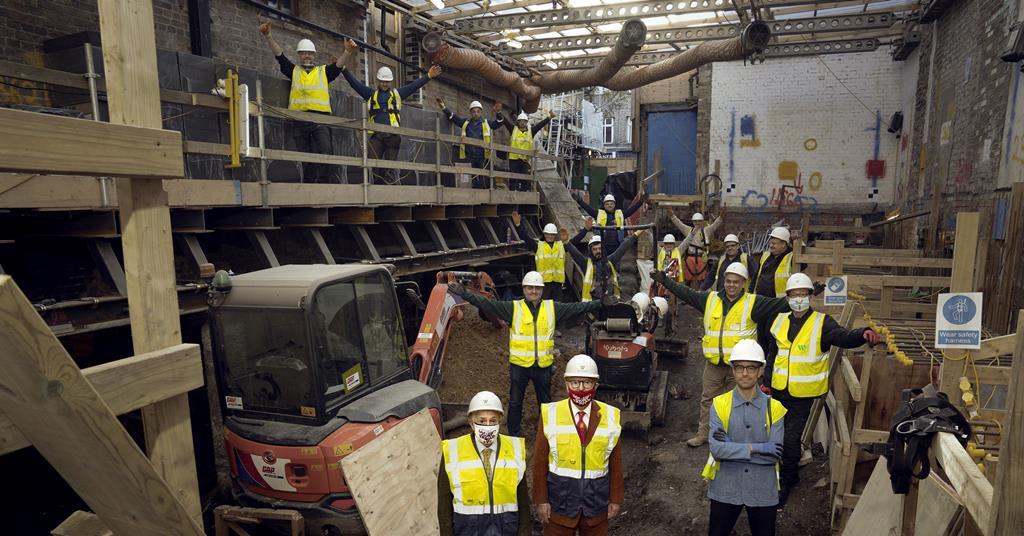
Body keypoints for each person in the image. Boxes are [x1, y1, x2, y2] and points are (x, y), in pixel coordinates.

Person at [766, 273, 880, 506]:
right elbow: (772, 354)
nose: (798, 298)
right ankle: (785, 472)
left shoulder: (821, 322)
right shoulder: (778, 321)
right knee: (776, 435)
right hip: (779, 390)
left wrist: (862, 333)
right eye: (794, 294)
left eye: (802, 294)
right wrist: (766, 382)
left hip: (803, 394)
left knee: (790, 439)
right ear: (787, 297)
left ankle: (786, 482)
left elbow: (843, 337)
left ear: (810, 296)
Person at [651, 262, 790, 447]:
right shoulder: (710, 299)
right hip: (714, 365)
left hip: (741, 367)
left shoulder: (753, 303)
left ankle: (736, 438)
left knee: (741, 402)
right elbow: (685, 292)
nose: (731, 285)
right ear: (724, 281)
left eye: (736, 282)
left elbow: (779, 304)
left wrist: (801, 296)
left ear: (743, 283)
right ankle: (703, 434)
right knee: (708, 399)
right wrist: (665, 281)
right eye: (728, 281)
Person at [447, 272, 601, 437]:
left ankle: (547, 434)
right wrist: (465, 293)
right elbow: (487, 304)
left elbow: (577, 307)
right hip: (519, 367)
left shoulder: (552, 308)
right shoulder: (514, 308)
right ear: (524, 289)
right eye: (530, 288)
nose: (533, 291)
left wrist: (600, 303)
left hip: (543, 366)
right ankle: (514, 434)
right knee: (515, 403)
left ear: (542, 290)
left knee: (546, 404)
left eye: (537, 288)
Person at [702, 339, 786, 536]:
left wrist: (732, 447)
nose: (745, 373)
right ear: (733, 370)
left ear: (760, 370)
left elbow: (774, 454)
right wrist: (756, 448)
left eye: (751, 367)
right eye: (739, 367)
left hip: (762, 489)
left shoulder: (775, 409)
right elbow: (717, 450)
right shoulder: (719, 404)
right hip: (725, 488)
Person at [533, 354, 623, 536]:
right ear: (567, 385)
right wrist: (541, 501)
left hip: (596, 507)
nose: (581, 388)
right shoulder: (550, 414)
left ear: (595, 386)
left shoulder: (611, 416)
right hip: (559, 506)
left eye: (587, 383)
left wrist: (615, 499)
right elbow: (539, 462)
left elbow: (616, 463)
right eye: (575, 382)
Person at [337, 39, 440, 184]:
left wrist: (428, 76)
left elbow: (413, 86)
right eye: (382, 81)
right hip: (376, 136)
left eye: (387, 82)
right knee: (373, 164)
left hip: (392, 135)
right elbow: (355, 84)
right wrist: (343, 69)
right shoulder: (370, 94)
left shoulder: (397, 94)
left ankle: (389, 189)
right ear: (378, 81)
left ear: (390, 82)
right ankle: (376, 189)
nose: (385, 84)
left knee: (390, 167)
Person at [260, 21, 346, 182]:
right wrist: (268, 36)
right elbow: (280, 57)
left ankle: (325, 186)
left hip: (320, 120)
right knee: (305, 157)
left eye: (309, 53)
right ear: (299, 55)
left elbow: (338, 67)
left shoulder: (323, 72)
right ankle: (309, 187)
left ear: (314, 55)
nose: (307, 56)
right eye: (303, 53)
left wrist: (347, 52)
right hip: (299, 120)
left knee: (326, 151)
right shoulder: (294, 71)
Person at [439, 391, 530, 536]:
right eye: (482, 421)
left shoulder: (515, 450)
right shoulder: (452, 451)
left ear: (499, 422)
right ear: (471, 423)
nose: (487, 426)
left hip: (506, 530)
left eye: (493, 421)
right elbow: (444, 506)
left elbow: (523, 502)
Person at [567, 222, 642, 303]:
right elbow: (575, 254)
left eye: (599, 248)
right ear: (591, 251)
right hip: (594, 301)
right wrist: (567, 242)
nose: (598, 251)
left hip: (612, 299)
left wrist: (635, 236)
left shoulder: (610, 260)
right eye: (595, 249)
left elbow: (623, 248)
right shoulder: (586, 264)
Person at [495, 104, 554, 191]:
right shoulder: (513, 129)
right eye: (520, 121)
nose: (522, 123)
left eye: (524, 121)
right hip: (514, 159)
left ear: (527, 123)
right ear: (518, 122)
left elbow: (540, 125)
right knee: (513, 177)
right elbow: (506, 122)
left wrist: (549, 117)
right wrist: (499, 112)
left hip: (524, 160)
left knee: (524, 178)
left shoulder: (531, 132)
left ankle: (524, 193)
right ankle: (512, 193)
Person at [439, 98, 494, 188]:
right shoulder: (466, 123)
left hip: (482, 156)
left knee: (482, 177)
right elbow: (454, 118)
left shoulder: (486, 123)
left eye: (478, 111)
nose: (476, 113)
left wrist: (499, 114)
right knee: (469, 177)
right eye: (474, 111)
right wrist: (444, 108)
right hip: (470, 155)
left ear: (481, 113)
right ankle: (471, 194)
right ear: (470, 113)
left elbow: (498, 124)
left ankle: (482, 194)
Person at [573, 192, 645, 258]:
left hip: (617, 245)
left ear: (614, 204)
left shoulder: (620, 213)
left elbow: (631, 211)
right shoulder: (598, 214)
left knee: (616, 264)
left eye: (611, 203)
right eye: (607, 204)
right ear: (604, 205)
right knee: (603, 264)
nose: (609, 205)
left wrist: (640, 202)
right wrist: (579, 200)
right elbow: (588, 208)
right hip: (602, 245)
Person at [512, 211, 565, 301]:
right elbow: (526, 237)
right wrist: (518, 225)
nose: (550, 236)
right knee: (543, 306)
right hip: (544, 283)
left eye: (552, 234)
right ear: (544, 234)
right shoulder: (538, 246)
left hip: (557, 283)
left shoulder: (561, 246)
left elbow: (574, 244)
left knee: (557, 307)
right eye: (548, 234)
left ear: (555, 235)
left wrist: (585, 230)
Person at [670, 210, 723, 286]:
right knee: (687, 279)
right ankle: (686, 294)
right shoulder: (688, 230)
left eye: (699, 221)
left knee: (701, 279)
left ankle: (699, 294)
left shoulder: (706, 231)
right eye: (695, 221)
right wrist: (672, 216)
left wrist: (721, 217)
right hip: (690, 258)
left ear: (702, 222)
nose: (697, 223)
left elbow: (714, 225)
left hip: (701, 258)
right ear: (693, 222)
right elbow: (679, 224)